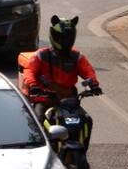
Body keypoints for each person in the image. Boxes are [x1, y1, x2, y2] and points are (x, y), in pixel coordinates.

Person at [22, 15, 100, 143]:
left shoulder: (77, 56)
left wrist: (94, 84)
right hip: (45, 98)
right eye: (62, 38)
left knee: (86, 120)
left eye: (68, 37)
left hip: (68, 100)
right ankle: (40, 149)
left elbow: (88, 71)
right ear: (54, 36)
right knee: (37, 119)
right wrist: (34, 85)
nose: (65, 41)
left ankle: (81, 147)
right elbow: (29, 70)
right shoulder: (41, 55)